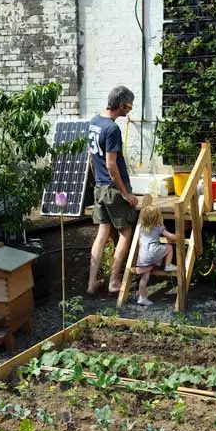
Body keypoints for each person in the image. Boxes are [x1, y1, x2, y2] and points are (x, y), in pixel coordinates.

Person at [87, 85, 139, 296]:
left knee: (102, 234)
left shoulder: (94, 122)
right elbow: (111, 164)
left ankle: (91, 284)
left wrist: (98, 183)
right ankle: (114, 282)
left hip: (100, 188)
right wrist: (125, 193)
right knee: (126, 231)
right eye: (128, 107)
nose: (129, 111)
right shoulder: (112, 129)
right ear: (120, 105)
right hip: (113, 190)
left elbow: (92, 157)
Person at [135, 199, 177, 306]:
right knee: (168, 247)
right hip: (153, 252)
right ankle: (168, 265)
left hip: (143, 256)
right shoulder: (159, 228)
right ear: (158, 217)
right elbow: (170, 236)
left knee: (144, 278)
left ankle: (142, 297)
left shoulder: (142, 228)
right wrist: (178, 237)